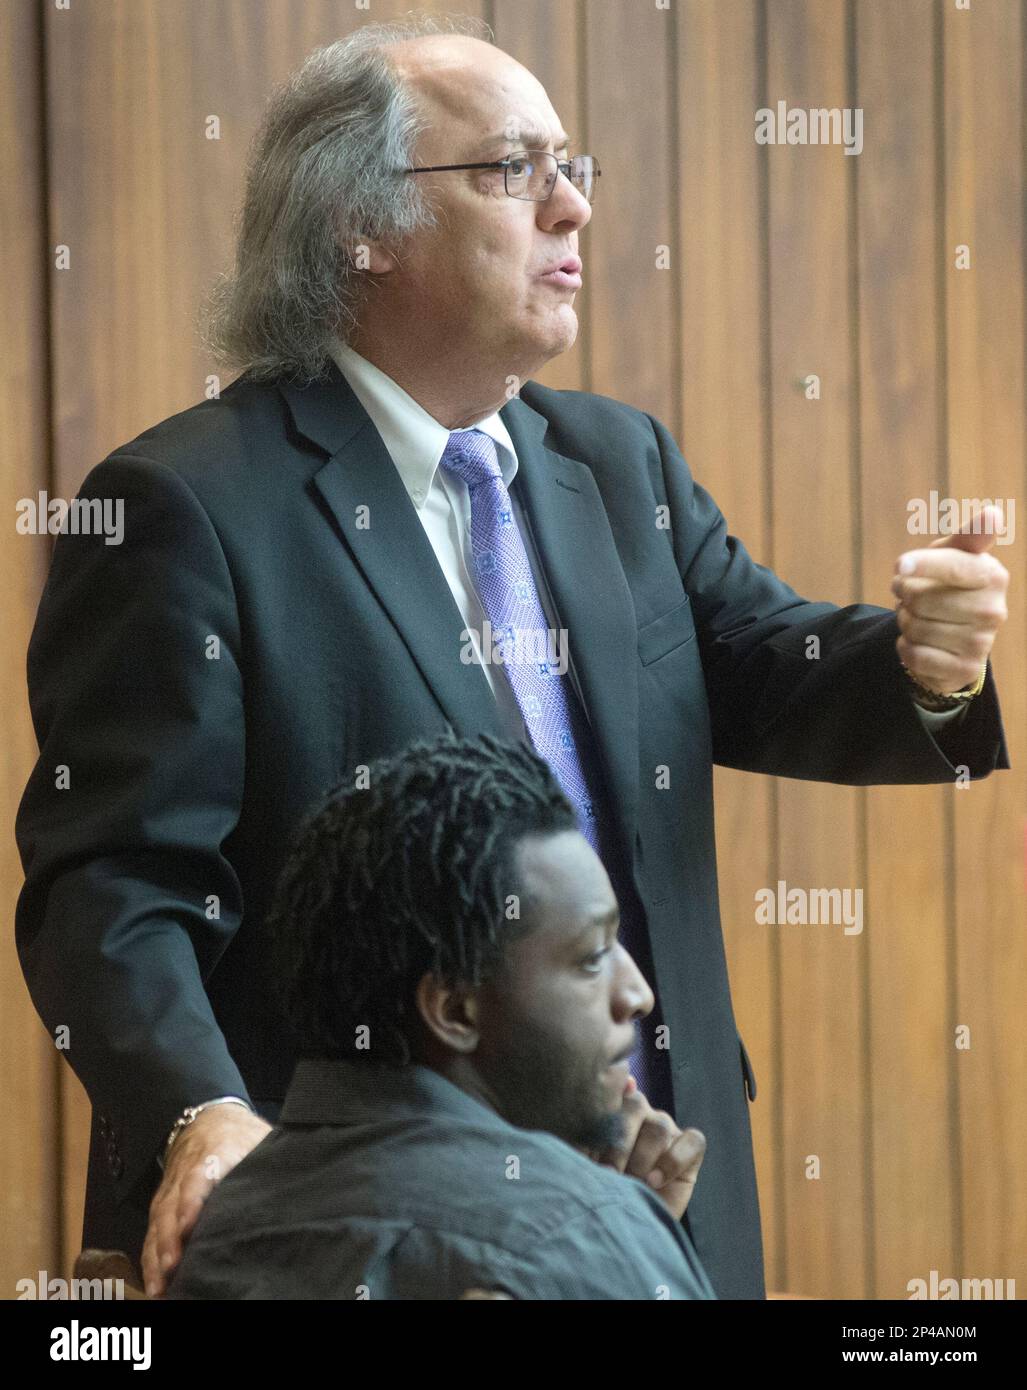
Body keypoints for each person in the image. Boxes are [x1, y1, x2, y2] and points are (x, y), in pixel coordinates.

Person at [15, 14, 1009, 1302]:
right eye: (509, 170)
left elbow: (761, 665)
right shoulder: (190, 507)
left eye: (571, 165)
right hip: (363, 1230)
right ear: (358, 228)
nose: (571, 209)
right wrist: (198, 1110)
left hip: (654, 1190)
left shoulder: (615, 461)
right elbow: (112, 885)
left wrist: (921, 669)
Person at [166, 733, 715, 1300]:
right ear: (453, 1010)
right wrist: (619, 1244)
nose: (638, 994)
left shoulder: (213, 1231)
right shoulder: (578, 1235)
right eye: (592, 956)